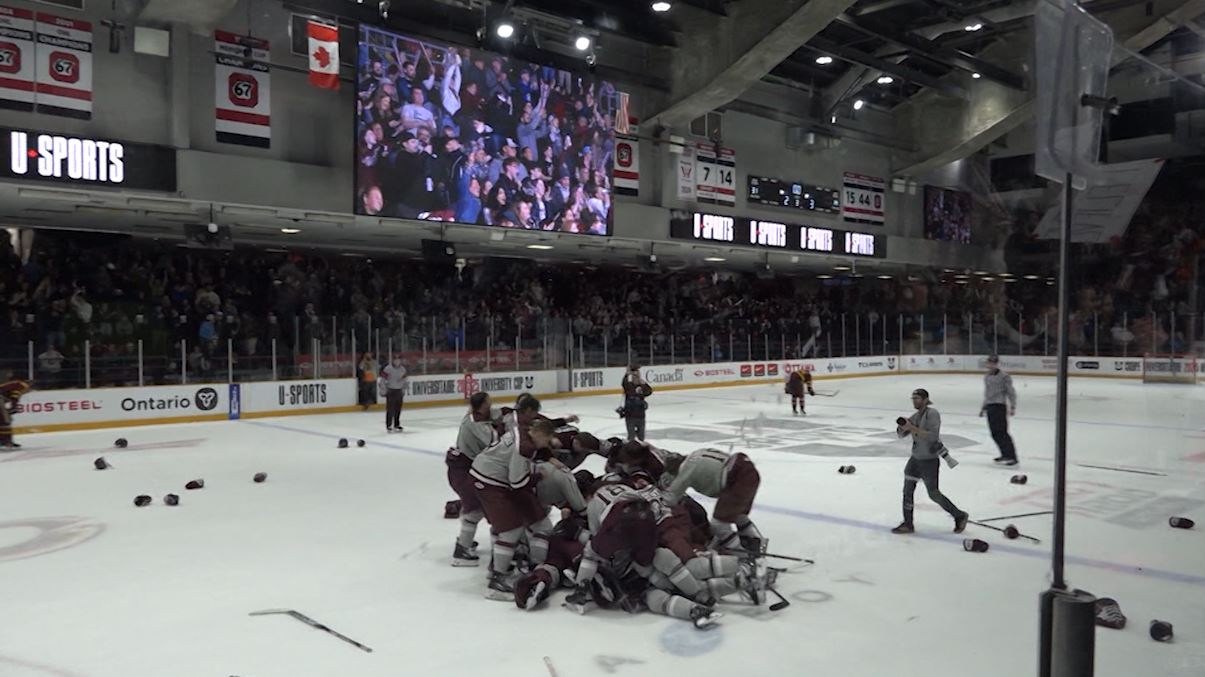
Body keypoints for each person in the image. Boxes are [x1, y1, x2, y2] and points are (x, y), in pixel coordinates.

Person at [468, 402, 555, 599]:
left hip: (486, 476)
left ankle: (496, 568)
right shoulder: (524, 447)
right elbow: (517, 482)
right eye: (547, 441)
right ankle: (497, 578)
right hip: (488, 481)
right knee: (511, 529)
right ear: (540, 434)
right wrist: (538, 476)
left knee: (508, 525)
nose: (546, 445)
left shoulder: (522, 431)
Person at [892, 388, 968, 535]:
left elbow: (932, 436)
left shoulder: (933, 414)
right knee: (907, 491)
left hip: (929, 461)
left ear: (926, 400)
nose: (914, 401)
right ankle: (908, 523)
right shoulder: (915, 416)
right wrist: (902, 428)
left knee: (933, 494)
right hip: (915, 459)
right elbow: (902, 435)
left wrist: (912, 428)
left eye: (917, 398)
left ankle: (959, 515)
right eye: (913, 398)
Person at [662, 448, 764, 554]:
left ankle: (741, 555)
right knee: (738, 515)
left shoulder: (686, 468)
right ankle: (754, 540)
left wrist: (656, 494)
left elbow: (670, 499)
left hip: (736, 479)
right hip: (746, 468)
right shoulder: (695, 454)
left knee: (718, 525)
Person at [447, 392, 500, 566]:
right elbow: (492, 440)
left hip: (467, 470)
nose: (491, 405)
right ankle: (462, 550)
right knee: (477, 508)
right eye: (488, 402)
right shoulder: (473, 422)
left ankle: (465, 543)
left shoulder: (480, 415)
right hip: (462, 472)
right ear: (482, 405)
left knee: (476, 507)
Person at [980, 355, 1019, 466]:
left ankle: (1012, 456)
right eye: (989, 362)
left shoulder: (1004, 377)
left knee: (1002, 432)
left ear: (997, 364)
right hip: (990, 406)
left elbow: (1011, 392)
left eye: (993, 363)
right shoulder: (987, 376)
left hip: (999, 406)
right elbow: (987, 394)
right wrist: (983, 407)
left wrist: (1012, 406)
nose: (991, 365)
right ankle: (1004, 454)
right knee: (994, 433)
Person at [0, 373, 33, 450]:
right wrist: (14, 407)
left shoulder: (14, 383)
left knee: (2, 420)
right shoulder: (22, 385)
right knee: (5, 421)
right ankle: (6, 441)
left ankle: (3, 441)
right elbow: (14, 396)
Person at [620, 364, 652, 441]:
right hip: (630, 416)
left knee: (641, 437)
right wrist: (627, 374)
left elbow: (649, 391)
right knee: (631, 437)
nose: (637, 375)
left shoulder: (642, 386)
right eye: (635, 374)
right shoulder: (629, 386)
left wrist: (644, 384)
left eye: (638, 373)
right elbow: (624, 383)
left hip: (640, 416)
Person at [379, 356, 408, 433]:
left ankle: (396, 424)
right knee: (390, 409)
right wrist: (383, 389)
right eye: (396, 360)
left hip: (399, 391)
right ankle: (389, 425)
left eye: (399, 360)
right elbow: (382, 380)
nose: (397, 362)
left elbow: (405, 380)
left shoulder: (403, 369)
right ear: (393, 361)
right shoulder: (388, 369)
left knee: (398, 409)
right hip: (391, 390)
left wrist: (404, 389)